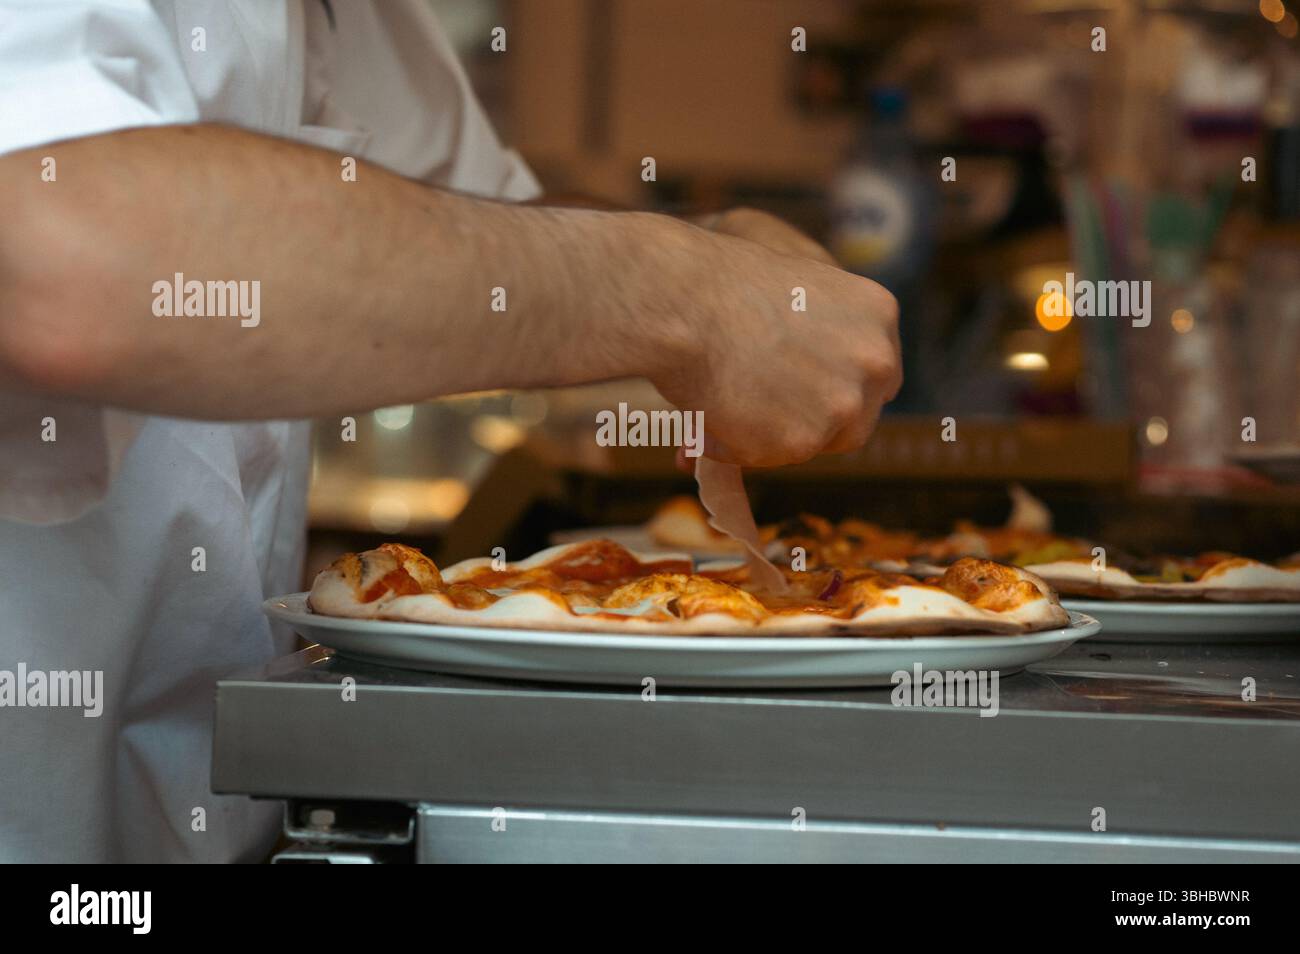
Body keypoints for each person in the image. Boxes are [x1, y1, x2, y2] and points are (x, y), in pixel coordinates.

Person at [0, 0, 901, 862]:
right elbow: (61, 253)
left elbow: (470, 218)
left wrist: (719, 254)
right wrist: (685, 292)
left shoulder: (358, 14)